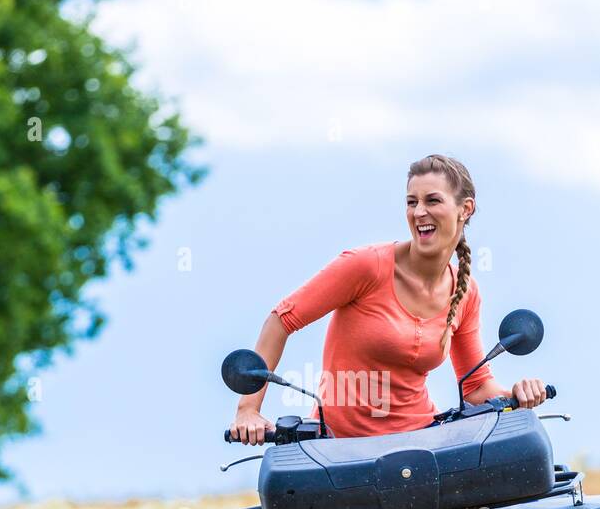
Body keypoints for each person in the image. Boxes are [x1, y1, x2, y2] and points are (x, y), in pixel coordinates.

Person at [230, 153, 548, 443]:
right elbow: (281, 320)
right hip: (341, 449)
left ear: (465, 209)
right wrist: (248, 409)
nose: (419, 212)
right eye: (412, 202)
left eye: (432, 200)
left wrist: (518, 394)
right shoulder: (365, 266)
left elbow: (476, 386)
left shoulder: (465, 292)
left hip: (421, 443)